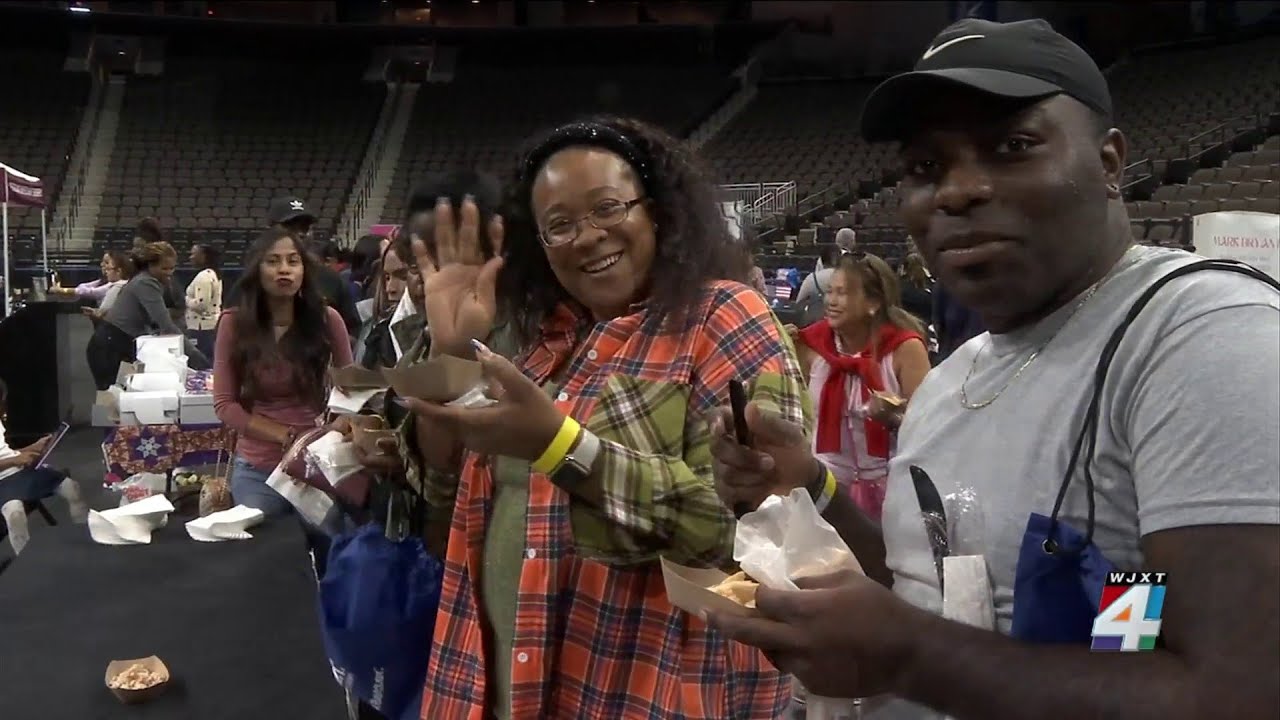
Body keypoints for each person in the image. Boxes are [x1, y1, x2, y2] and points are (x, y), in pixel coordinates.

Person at [705, 18, 1279, 720]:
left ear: (1109, 163)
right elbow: (934, 596)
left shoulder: (1203, 334)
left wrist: (909, 657)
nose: (958, 191)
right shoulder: (954, 378)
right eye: (924, 168)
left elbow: (1236, 694)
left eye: (1012, 146)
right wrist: (812, 487)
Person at [397, 117, 806, 719]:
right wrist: (454, 353)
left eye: (607, 208)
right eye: (559, 225)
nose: (587, 237)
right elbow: (441, 500)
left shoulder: (724, 317)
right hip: (498, 682)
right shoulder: (540, 344)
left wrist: (564, 447)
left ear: (657, 210)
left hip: (644, 691)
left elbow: (756, 537)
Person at [212, 228, 353, 528]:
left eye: (293, 261)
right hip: (257, 470)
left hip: (316, 466)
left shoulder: (328, 320)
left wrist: (335, 428)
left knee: (331, 549)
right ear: (257, 271)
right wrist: (286, 436)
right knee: (266, 559)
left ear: (304, 270)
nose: (284, 269)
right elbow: (225, 405)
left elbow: (352, 394)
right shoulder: (233, 323)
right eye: (273, 261)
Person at [791, 252, 930, 521]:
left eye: (842, 293)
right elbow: (798, 418)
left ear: (874, 303)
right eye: (830, 291)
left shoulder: (905, 348)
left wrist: (895, 417)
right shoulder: (809, 346)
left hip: (893, 490)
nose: (830, 301)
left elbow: (930, 429)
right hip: (825, 489)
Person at [0, 379, 87, 555]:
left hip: (19, 472)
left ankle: (86, 535)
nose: (4, 406)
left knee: (71, 487)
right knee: (14, 512)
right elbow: (8, 460)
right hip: (2, 481)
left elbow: (5, 453)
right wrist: (15, 461)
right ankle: (24, 562)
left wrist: (32, 448)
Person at [87, 242, 182, 391]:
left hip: (121, 345)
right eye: (164, 268)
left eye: (172, 268)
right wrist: (199, 360)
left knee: (124, 396)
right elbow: (167, 326)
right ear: (150, 266)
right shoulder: (145, 283)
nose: (169, 273)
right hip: (110, 347)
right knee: (110, 398)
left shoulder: (150, 281)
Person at [264, 196, 361, 336]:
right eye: (291, 227)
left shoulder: (330, 279)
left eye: (305, 228)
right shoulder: (255, 279)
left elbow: (353, 331)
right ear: (269, 231)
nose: (301, 233)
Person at [185, 243, 223, 361]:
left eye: (193, 254)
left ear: (203, 256)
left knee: (203, 361)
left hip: (202, 329)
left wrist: (186, 299)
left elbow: (201, 305)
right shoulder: (212, 274)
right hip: (206, 328)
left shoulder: (204, 277)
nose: (190, 257)